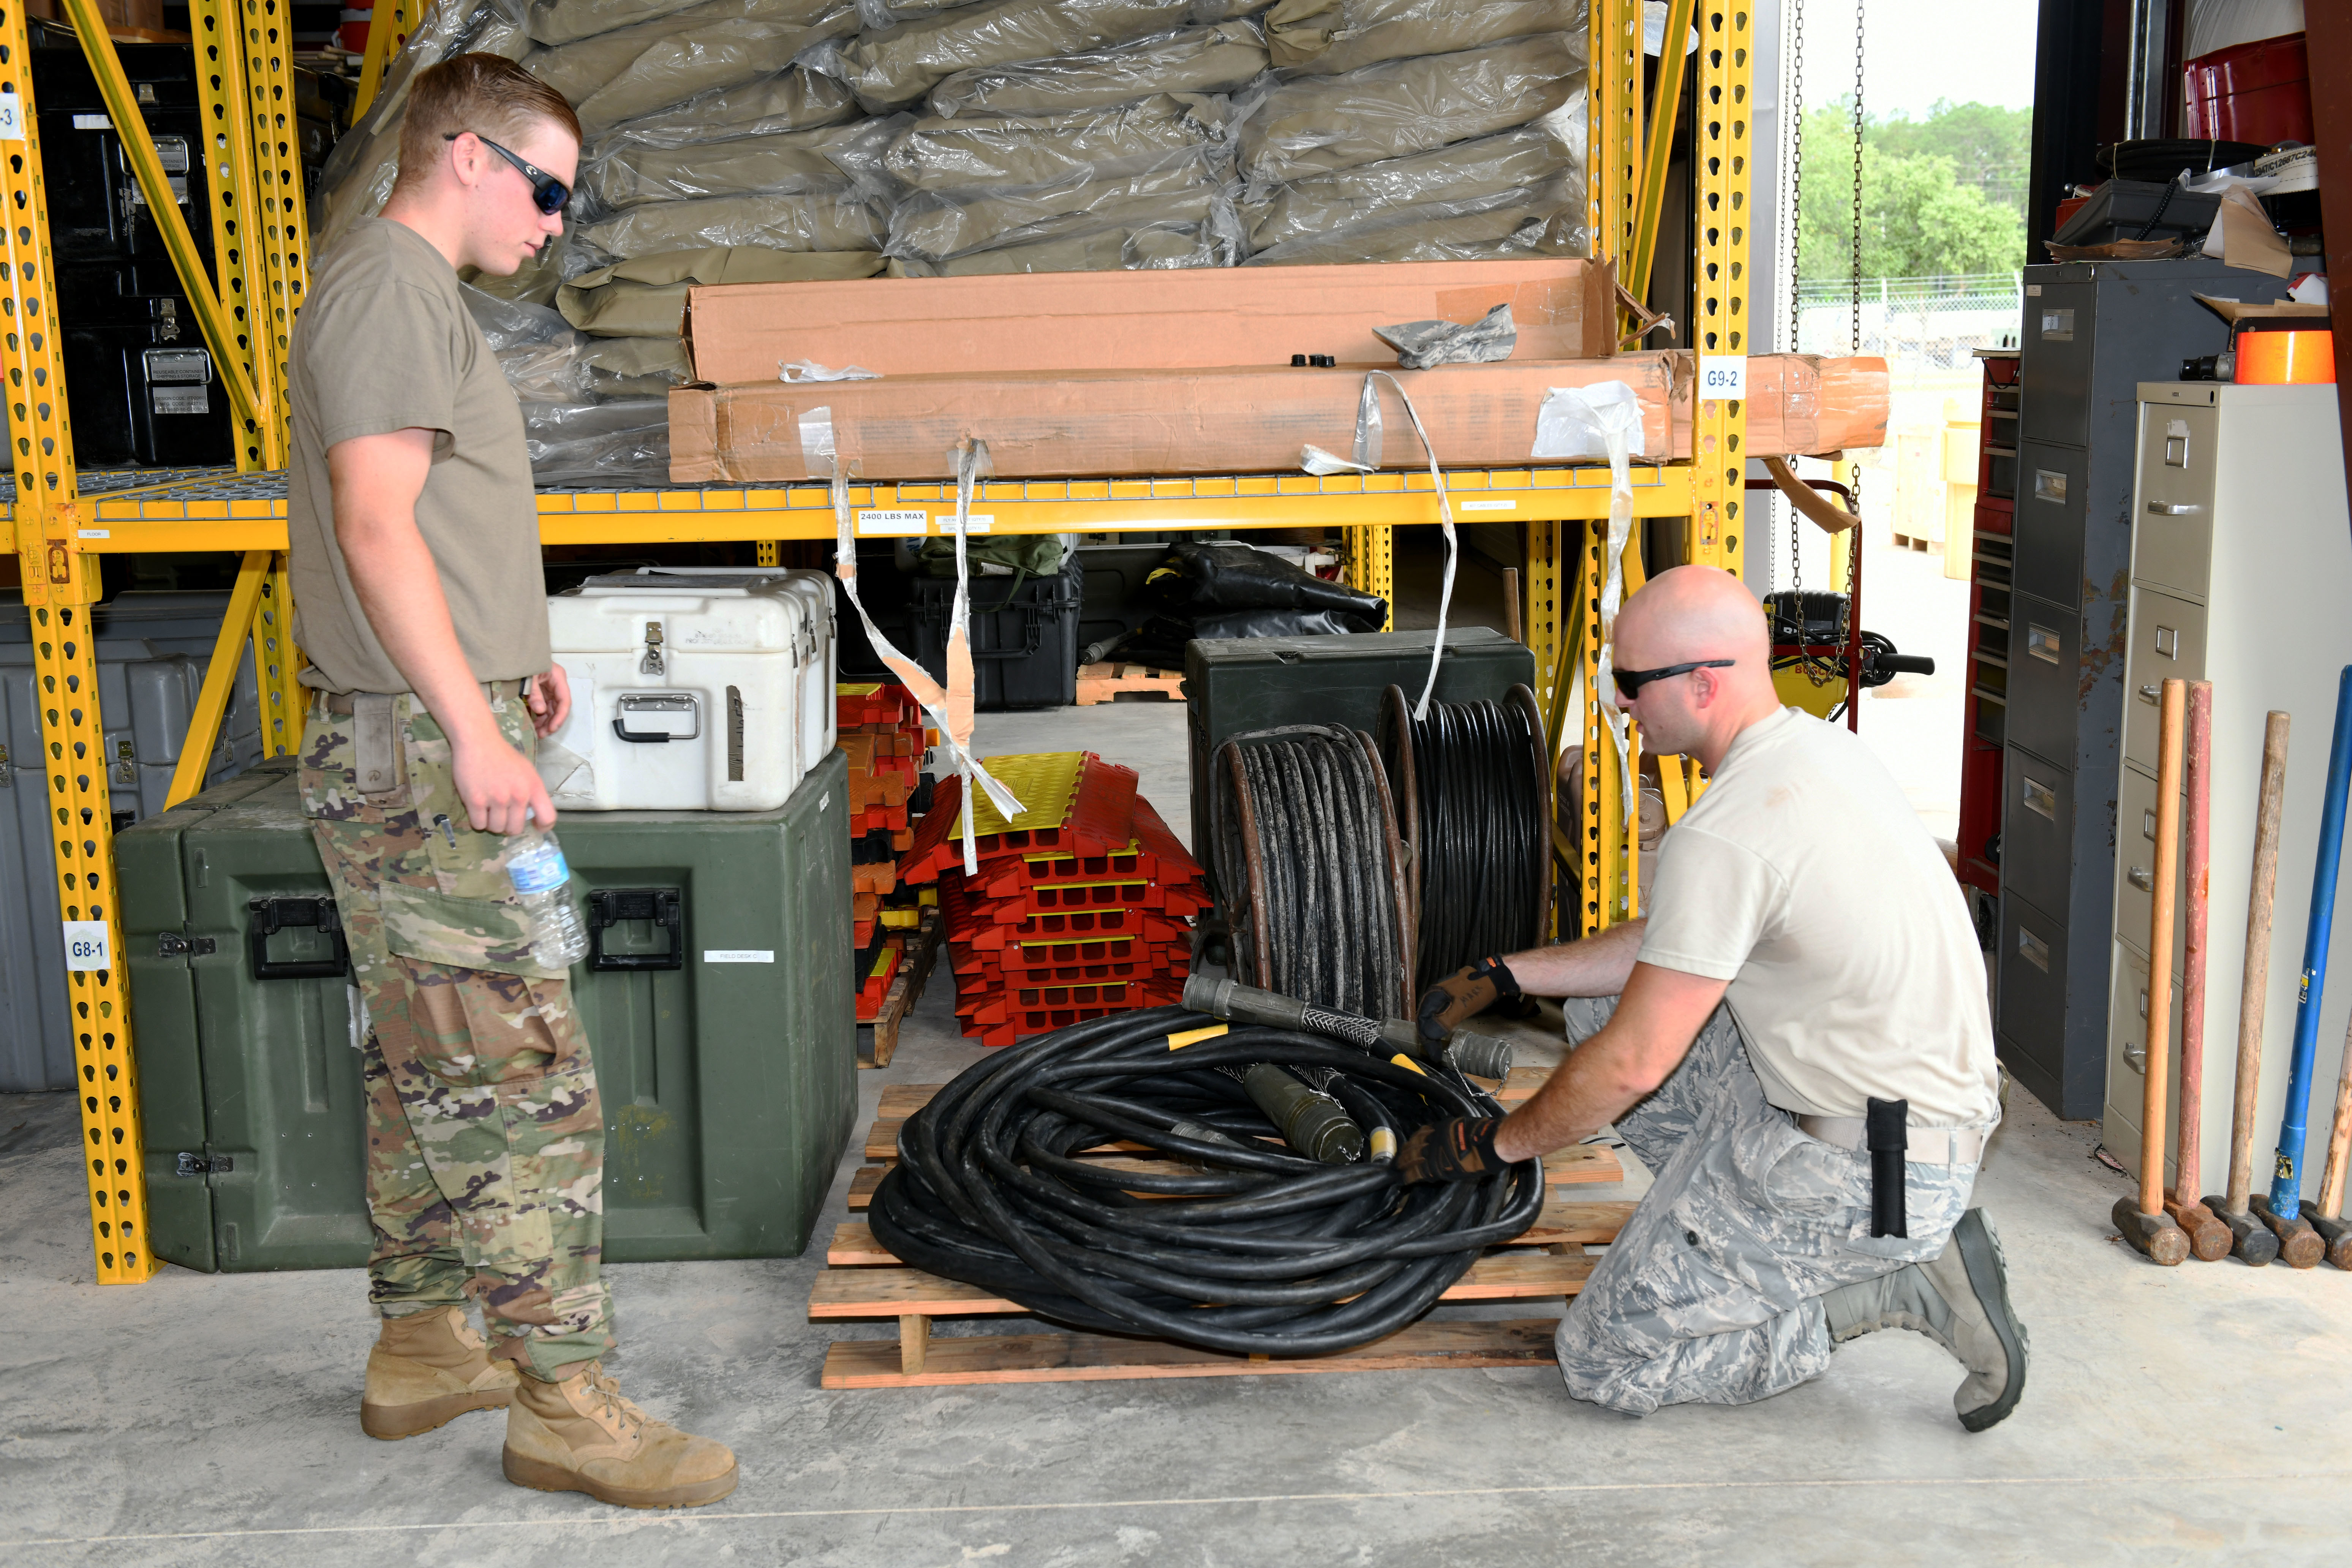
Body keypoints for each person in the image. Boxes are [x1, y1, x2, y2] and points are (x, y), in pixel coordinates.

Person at [287, 53, 737, 1509]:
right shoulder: (390, 292)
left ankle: (424, 1342)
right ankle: (562, 1400)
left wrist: (513, 654)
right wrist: (470, 730)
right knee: (518, 1070)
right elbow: (374, 525)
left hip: (422, 717)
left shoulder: (407, 293)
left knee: (428, 1047)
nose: (554, 221)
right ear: (466, 154)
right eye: (546, 188)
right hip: (422, 746)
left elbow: (438, 518)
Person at [1402, 564, 2026, 1430]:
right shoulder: (1816, 752)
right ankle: (1726, 1227)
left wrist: (1495, 1144)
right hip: (1892, 1112)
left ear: (1702, 682)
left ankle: (1891, 1286)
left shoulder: (1726, 831)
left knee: (1602, 1357)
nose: (1621, 704)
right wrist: (1507, 973)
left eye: (1630, 684)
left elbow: (1633, 1066)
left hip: (1874, 1175)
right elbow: (1678, 947)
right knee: (1592, 1015)